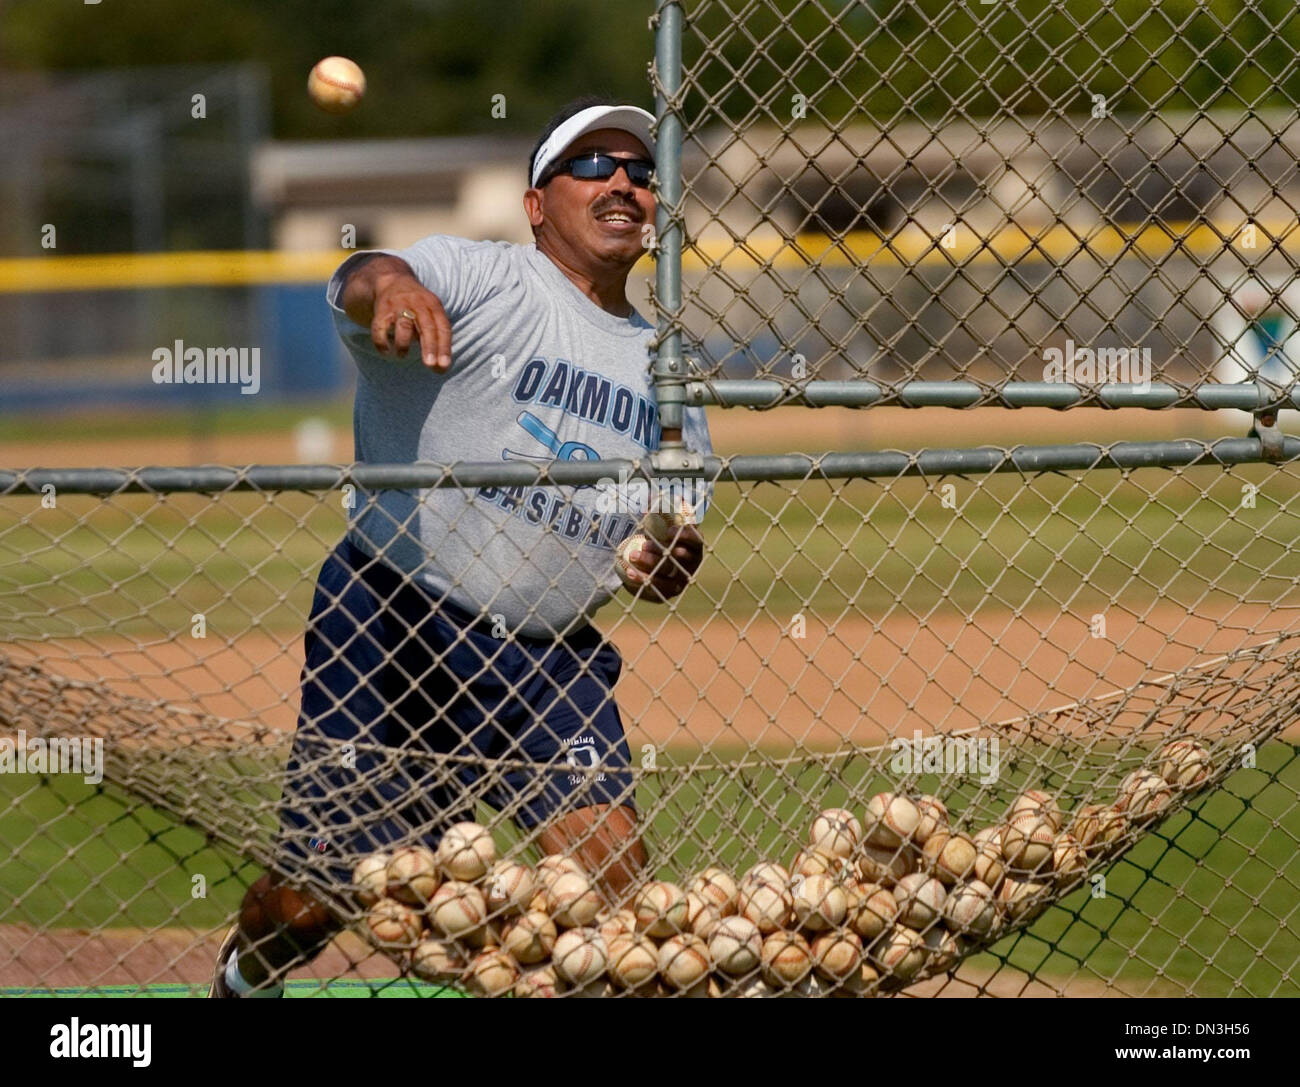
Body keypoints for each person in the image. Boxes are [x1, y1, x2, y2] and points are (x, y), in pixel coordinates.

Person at [209, 96, 712, 997]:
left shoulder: (667, 367)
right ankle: (247, 977)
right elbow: (370, 274)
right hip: (391, 624)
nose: (624, 184)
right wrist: (392, 291)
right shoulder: (478, 278)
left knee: (621, 898)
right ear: (536, 204)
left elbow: (664, 538)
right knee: (311, 900)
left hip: (547, 660)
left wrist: (665, 558)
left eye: (640, 170)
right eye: (593, 165)